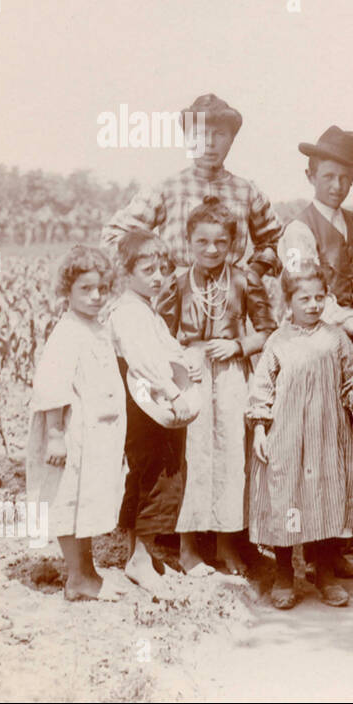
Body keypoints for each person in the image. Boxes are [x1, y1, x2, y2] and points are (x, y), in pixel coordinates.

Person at [278, 126, 353, 557]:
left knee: (345, 446)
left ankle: (335, 544)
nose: (337, 185)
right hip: (309, 345)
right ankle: (300, 548)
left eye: (345, 177)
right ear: (311, 175)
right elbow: (310, 297)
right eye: (328, 176)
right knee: (308, 446)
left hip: (345, 346)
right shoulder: (298, 230)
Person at [159, 198, 275, 576]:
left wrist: (239, 345)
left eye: (220, 243)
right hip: (190, 374)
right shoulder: (178, 282)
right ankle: (189, 546)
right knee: (192, 457)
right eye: (203, 242)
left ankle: (227, 544)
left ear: (232, 243)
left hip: (230, 376)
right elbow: (159, 332)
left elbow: (268, 330)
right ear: (189, 242)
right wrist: (180, 356)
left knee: (230, 458)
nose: (211, 250)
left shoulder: (244, 280)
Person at [246, 263, 353, 609]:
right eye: (305, 299)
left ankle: (325, 572)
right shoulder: (278, 342)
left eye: (319, 297)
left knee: (327, 498)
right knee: (289, 499)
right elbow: (262, 388)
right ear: (289, 301)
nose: (313, 305)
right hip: (287, 437)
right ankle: (285, 572)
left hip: (328, 434)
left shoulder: (336, 337)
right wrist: (259, 427)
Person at [26, 246, 127, 601]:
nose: (95, 296)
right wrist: (55, 435)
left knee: (87, 501)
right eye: (85, 289)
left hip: (96, 435)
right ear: (67, 291)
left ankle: (88, 572)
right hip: (71, 433)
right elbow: (52, 385)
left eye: (101, 288)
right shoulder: (67, 332)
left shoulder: (96, 327)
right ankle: (77, 577)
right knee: (69, 500)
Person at [108, 230, 200, 595]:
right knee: (161, 477)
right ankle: (140, 560)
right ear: (126, 272)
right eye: (147, 269)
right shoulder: (130, 312)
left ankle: (140, 554)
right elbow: (144, 362)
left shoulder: (146, 309)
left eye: (162, 268)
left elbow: (164, 350)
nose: (158, 276)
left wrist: (184, 363)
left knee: (145, 475)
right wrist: (173, 391)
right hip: (149, 405)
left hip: (151, 401)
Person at [102, 94, 283, 276]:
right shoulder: (167, 188)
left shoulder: (247, 191)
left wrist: (252, 274)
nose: (210, 143)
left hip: (234, 297)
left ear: (231, 139)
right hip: (176, 295)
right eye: (201, 134)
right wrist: (159, 271)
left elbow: (277, 242)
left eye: (220, 134)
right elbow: (114, 236)